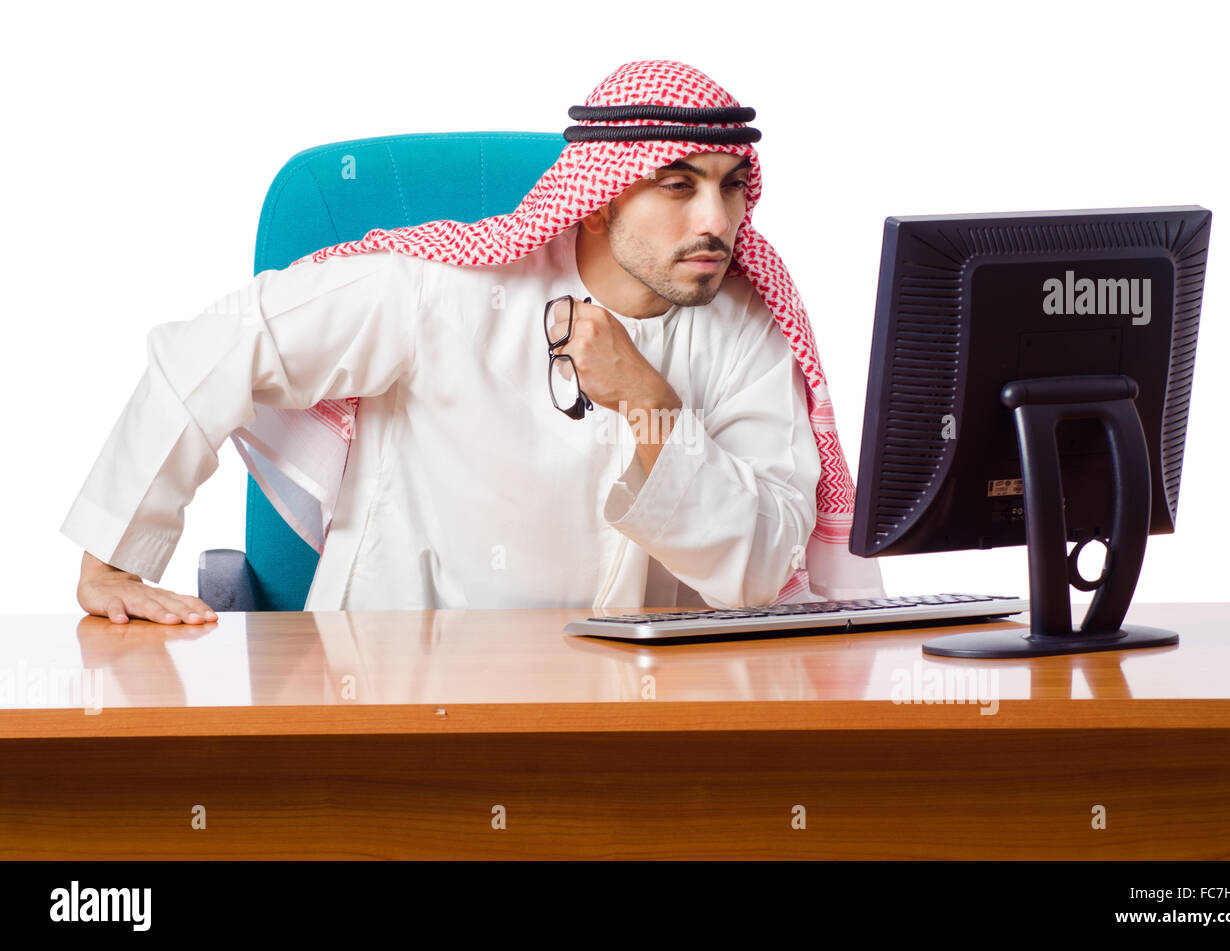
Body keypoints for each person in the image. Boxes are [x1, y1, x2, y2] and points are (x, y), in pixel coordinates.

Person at [65, 59, 885, 625]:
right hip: (395, 691)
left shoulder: (745, 325)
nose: (718, 220)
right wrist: (114, 554)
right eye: (679, 186)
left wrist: (648, 402)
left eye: (731, 185)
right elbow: (218, 345)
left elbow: (761, 568)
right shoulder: (443, 288)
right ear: (596, 201)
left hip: (639, 719)